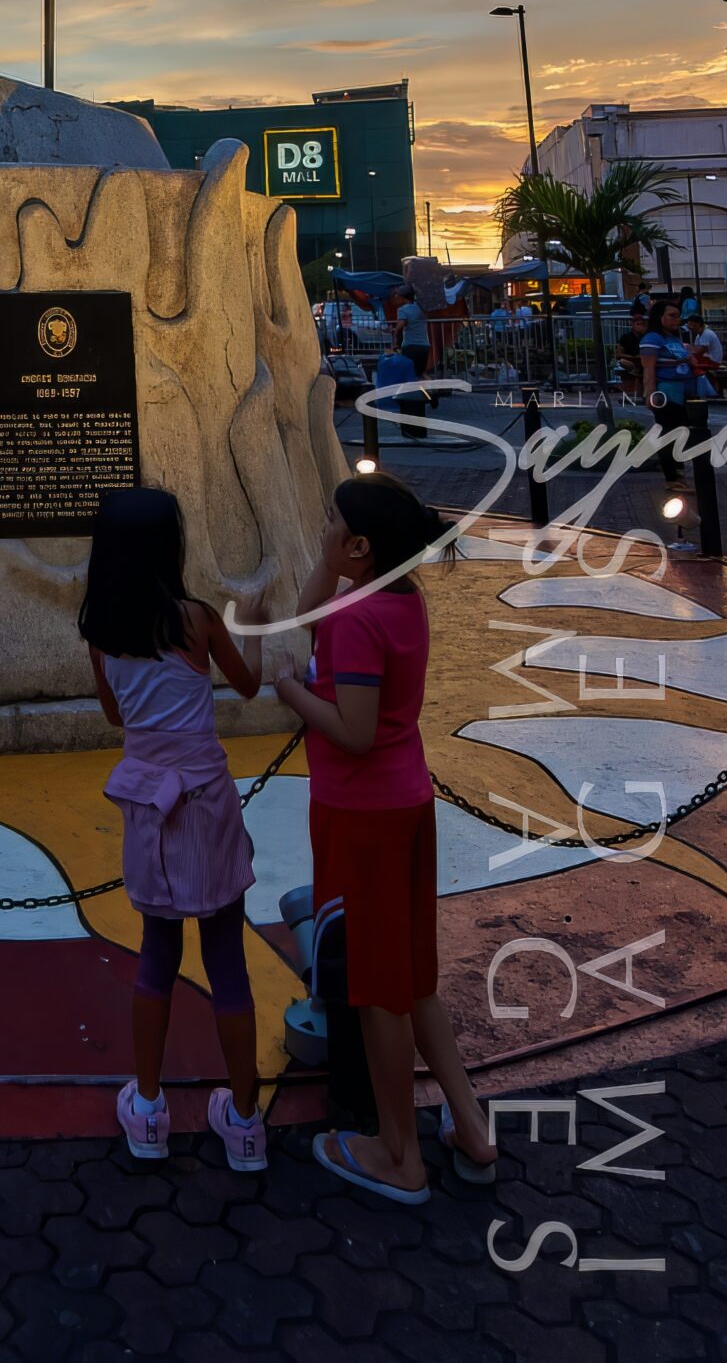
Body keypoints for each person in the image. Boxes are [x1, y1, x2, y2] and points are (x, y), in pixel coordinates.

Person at [276, 477, 496, 1204]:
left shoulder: (358, 622)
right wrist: (329, 551)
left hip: (361, 814)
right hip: (407, 801)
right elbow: (312, 612)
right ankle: (469, 1124)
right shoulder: (397, 600)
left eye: (333, 521)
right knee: (410, 978)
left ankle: (398, 1155)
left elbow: (355, 732)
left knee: (376, 991)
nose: (324, 525)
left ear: (362, 547)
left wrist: (293, 695)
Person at [79, 487, 269, 1173]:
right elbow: (248, 685)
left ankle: (150, 1107)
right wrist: (249, 624)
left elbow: (114, 719)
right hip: (209, 804)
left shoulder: (101, 637)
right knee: (228, 961)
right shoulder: (195, 622)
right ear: (171, 550)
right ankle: (245, 1122)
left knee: (157, 955)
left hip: (150, 811)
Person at [370, 328, 430, 442]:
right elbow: (410, 386)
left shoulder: (382, 359)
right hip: (399, 405)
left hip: (383, 404)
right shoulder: (407, 363)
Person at [396, 292, 434, 409]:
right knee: (421, 373)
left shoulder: (403, 310)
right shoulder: (421, 309)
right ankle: (432, 393)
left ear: (403, 297)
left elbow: (401, 325)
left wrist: (394, 332)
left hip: (410, 346)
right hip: (424, 345)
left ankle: (410, 399)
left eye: (398, 296)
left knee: (408, 373)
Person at [616, 300, 648, 400]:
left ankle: (640, 392)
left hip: (644, 360)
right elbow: (619, 353)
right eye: (638, 324)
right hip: (630, 360)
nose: (640, 326)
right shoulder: (626, 337)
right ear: (633, 325)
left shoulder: (647, 337)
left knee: (642, 367)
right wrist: (632, 357)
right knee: (624, 362)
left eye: (642, 324)